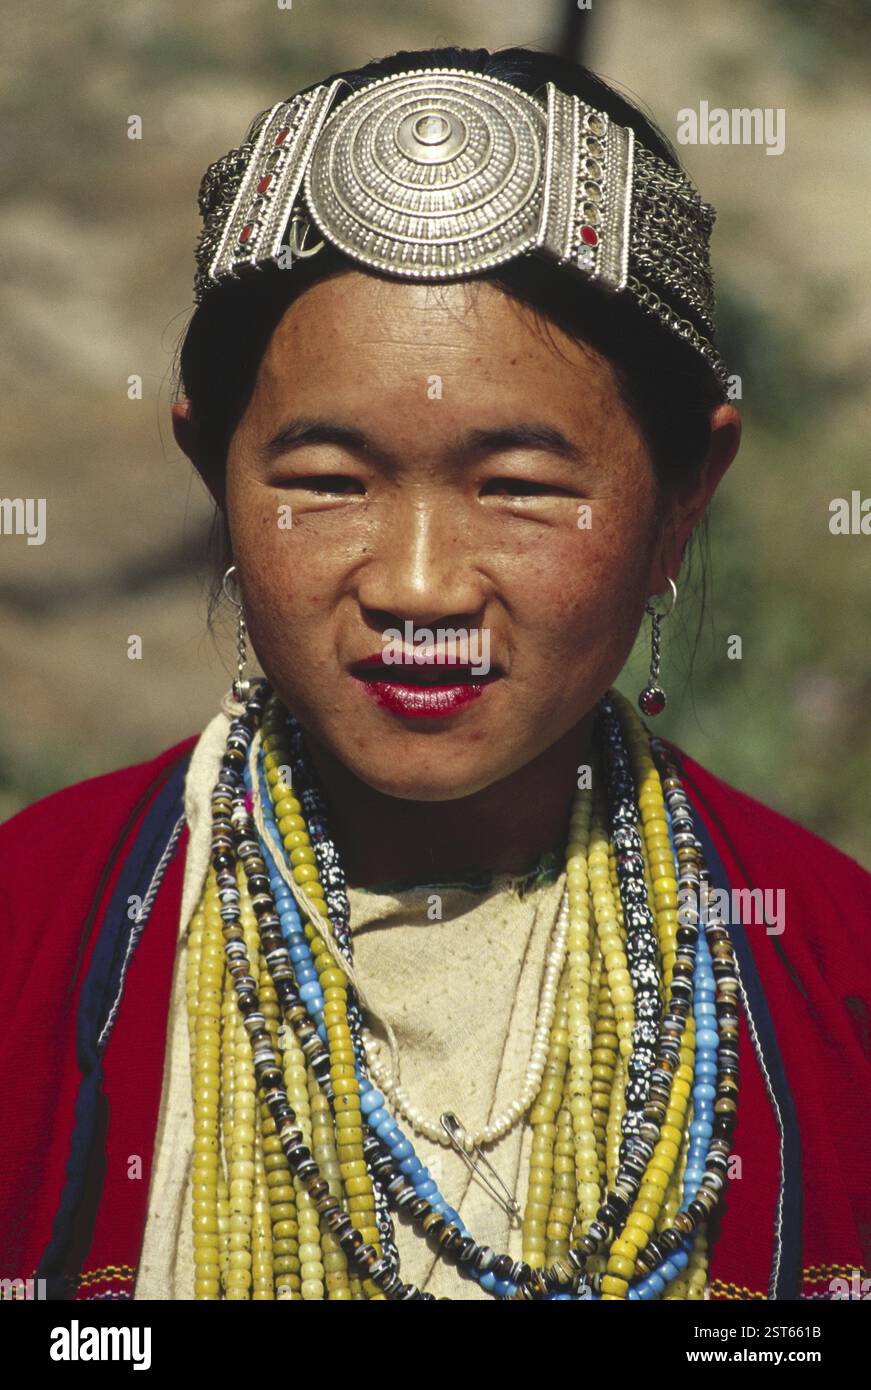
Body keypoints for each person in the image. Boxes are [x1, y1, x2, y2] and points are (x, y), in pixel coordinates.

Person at [1, 45, 869, 1304]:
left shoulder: (832, 974)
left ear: (683, 499)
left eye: (518, 488)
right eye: (325, 480)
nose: (418, 585)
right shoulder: (36, 931)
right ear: (213, 476)